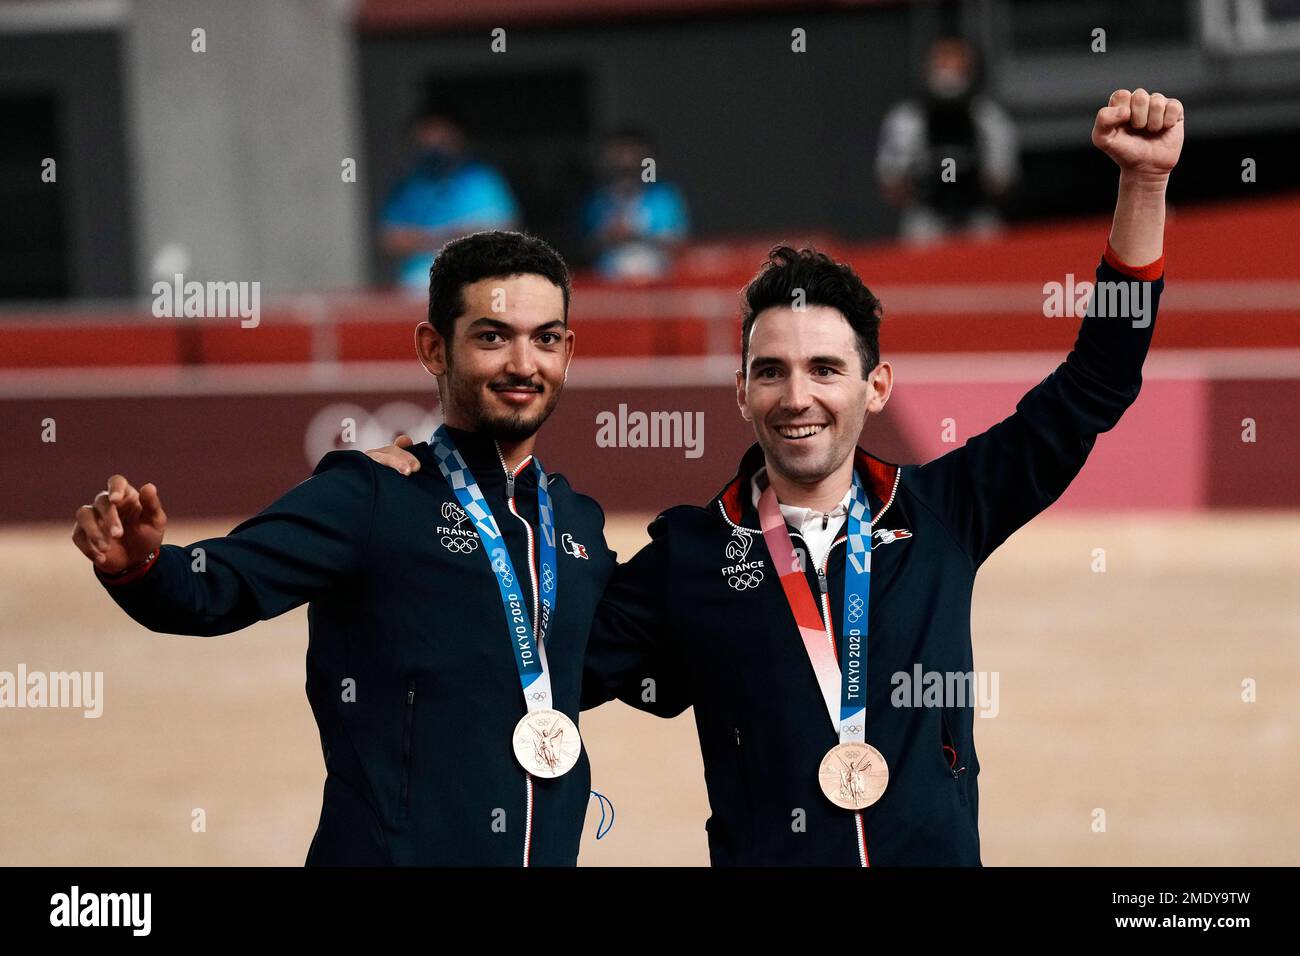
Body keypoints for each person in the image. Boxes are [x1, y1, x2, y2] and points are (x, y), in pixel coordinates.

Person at [368, 88, 1183, 866]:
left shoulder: (942, 512)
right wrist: (425, 497)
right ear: (741, 391)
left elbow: (1094, 386)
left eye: (826, 369)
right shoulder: (688, 559)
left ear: (876, 387)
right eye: (773, 372)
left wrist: (1143, 185)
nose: (799, 398)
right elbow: (527, 670)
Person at [71, 231, 617, 866]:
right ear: (433, 348)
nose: (524, 364)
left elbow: (645, 645)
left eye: (545, 338)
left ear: (568, 353)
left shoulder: (576, 525)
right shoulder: (372, 495)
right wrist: (140, 564)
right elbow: (213, 589)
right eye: (492, 337)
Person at [876, 35, 1019, 245]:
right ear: (927, 66)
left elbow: (1003, 181)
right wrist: (926, 180)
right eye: (943, 60)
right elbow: (891, 183)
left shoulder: (990, 117)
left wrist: (967, 177)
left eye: (957, 60)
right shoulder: (906, 119)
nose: (949, 69)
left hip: (977, 219)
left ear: (971, 66)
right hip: (926, 221)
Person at [380, 110, 521, 291]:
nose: (432, 141)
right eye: (426, 132)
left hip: (477, 282)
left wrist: (425, 238)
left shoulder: (481, 178)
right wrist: (449, 236)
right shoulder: (410, 185)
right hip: (418, 286)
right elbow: (391, 240)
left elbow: (502, 231)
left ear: (457, 134)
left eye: (440, 132)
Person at [581, 128, 690, 282]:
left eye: (633, 152)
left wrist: (636, 234)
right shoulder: (596, 200)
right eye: (619, 153)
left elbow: (678, 245)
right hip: (609, 283)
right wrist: (608, 236)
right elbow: (585, 249)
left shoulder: (664, 196)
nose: (626, 160)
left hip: (657, 281)